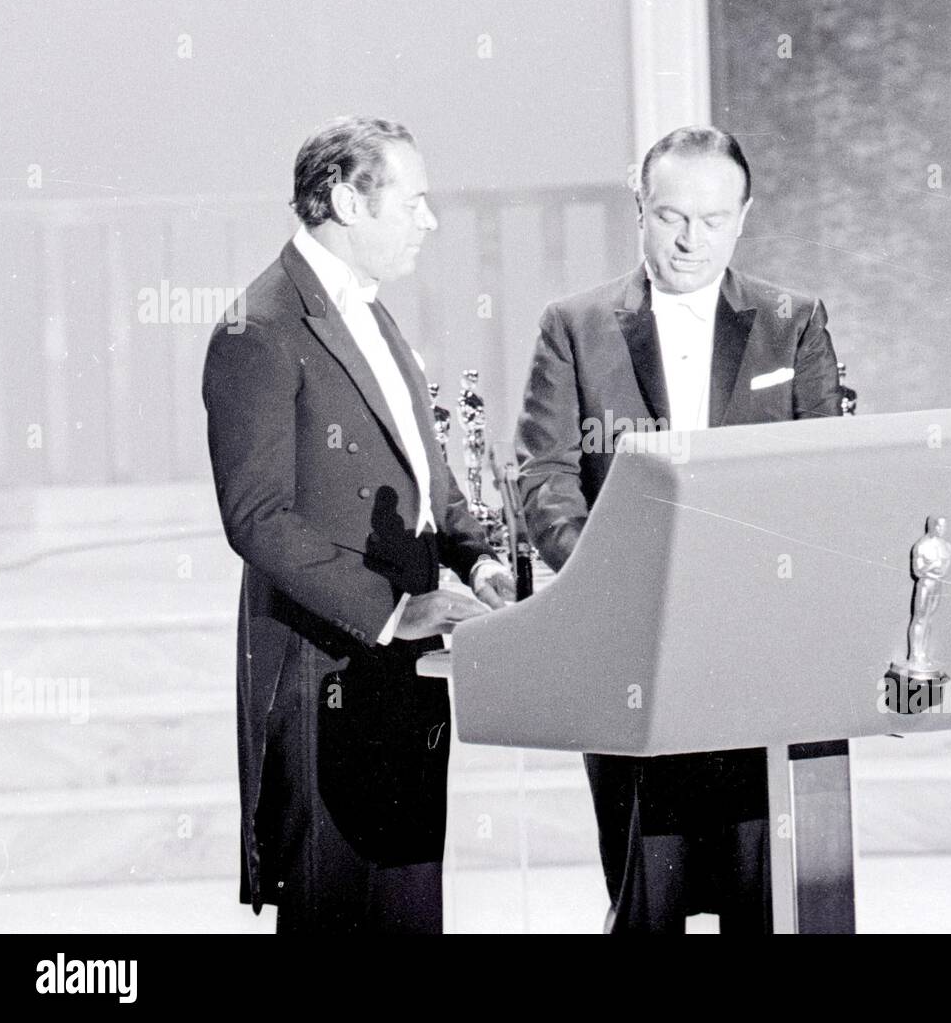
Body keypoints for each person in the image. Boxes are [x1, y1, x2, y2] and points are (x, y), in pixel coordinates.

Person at [514, 125, 843, 932]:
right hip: (632, 647)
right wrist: (609, 575)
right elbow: (544, 476)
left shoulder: (792, 321)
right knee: (646, 901)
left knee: (765, 893)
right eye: (671, 217)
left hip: (762, 649)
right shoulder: (574, 323)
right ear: (640, 208)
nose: (693, 240)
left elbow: (826, 471)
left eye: (714, 218)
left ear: (744, 215)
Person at [201, 116, 516, 933]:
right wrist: (390, 611)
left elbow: (425, 466)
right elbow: (256, 517)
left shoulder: (370, 314)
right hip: (324, 666)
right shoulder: (259, 328)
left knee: (410, 911)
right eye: (412, 200)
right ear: (347, 199)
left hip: (406, 667)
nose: (428, 220)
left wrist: (476, 559)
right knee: (335, 914)